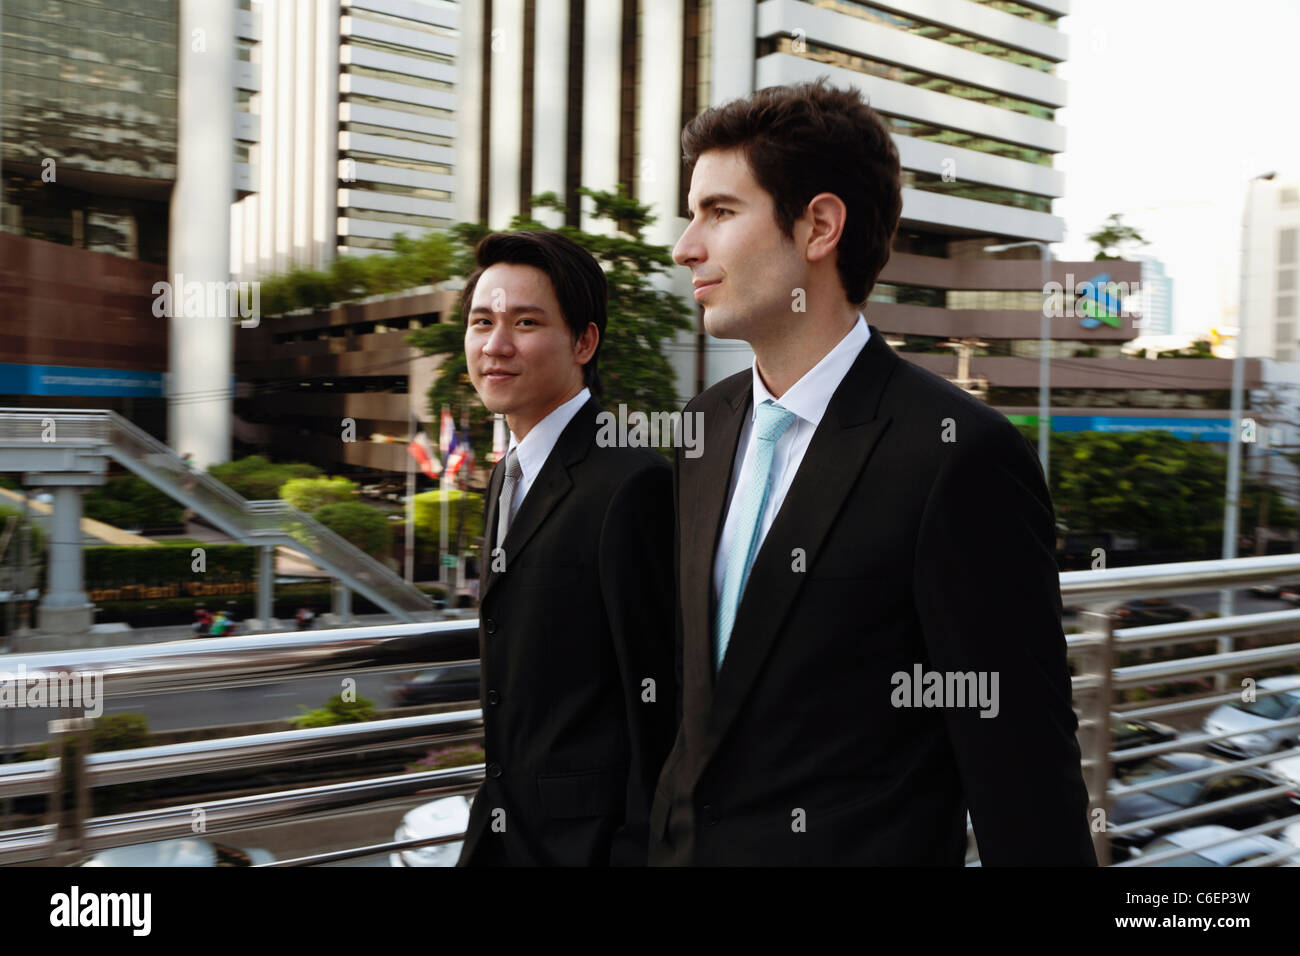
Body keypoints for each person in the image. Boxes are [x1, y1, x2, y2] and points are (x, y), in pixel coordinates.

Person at [648, 78, 1096, 866]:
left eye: (718, 212)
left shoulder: (959, 455)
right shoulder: (701, 430)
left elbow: (1023, 777)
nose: (687, 246)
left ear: (819, 226)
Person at [455, 230, 676, 867]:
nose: (496, 346)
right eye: (482, 322)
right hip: (503, 833)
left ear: (584, 341)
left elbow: (659, 707)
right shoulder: (508, 472)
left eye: (526, 323)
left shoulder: (632, 483)